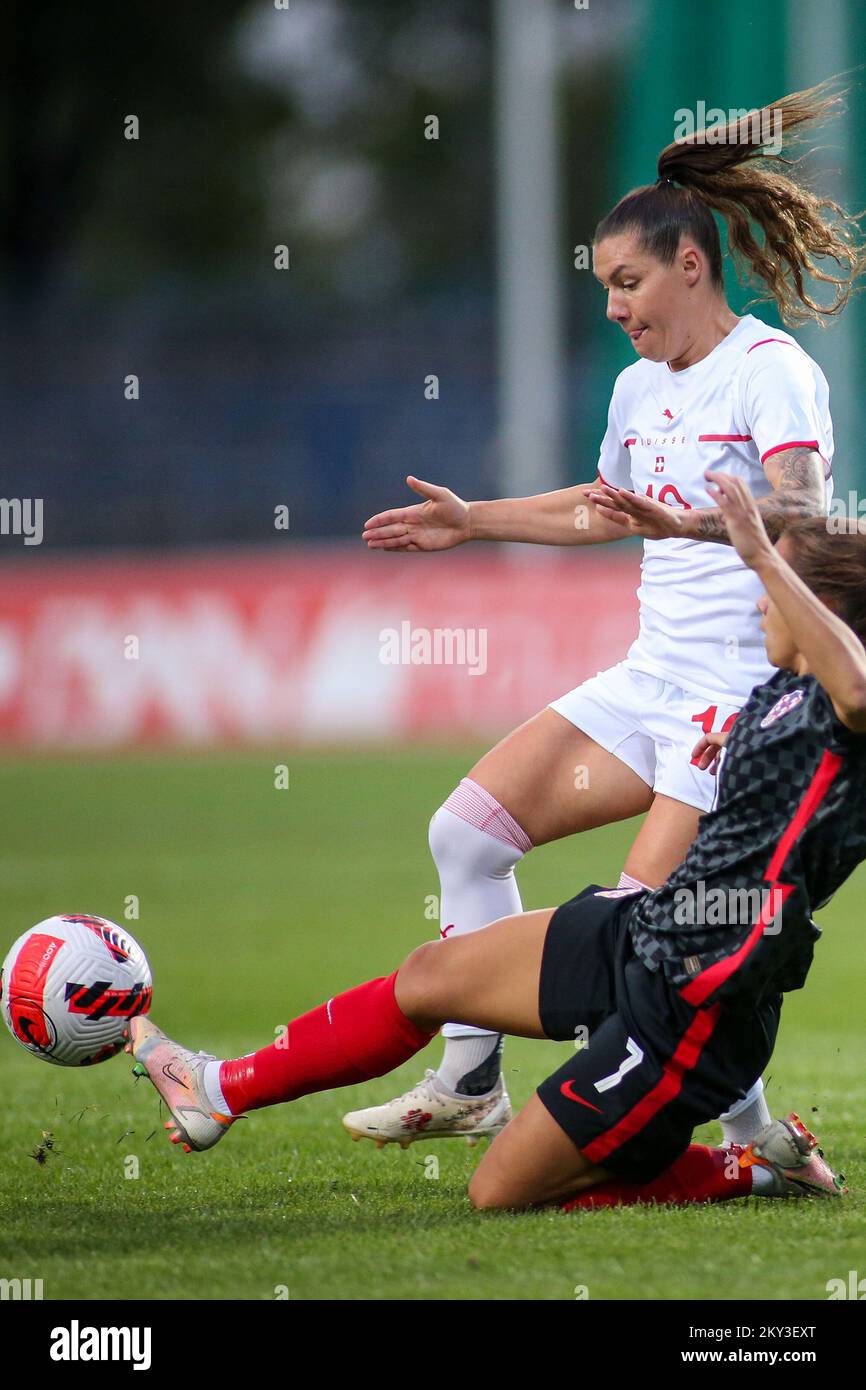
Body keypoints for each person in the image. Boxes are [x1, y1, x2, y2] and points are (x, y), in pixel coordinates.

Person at [348, 79, 864, 1151]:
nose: (613, 307)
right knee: (466, 833)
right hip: (650, 678)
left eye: (626, 282)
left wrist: (677, 523)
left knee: (638, 938)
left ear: (689, 265)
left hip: (737, 694)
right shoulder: (639, 390)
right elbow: (603, 507)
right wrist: (473, 519)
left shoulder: (771, 374)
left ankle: (753, 1135)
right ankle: (469, 1084)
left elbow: (800, 527)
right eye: (601, 289)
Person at [127, 474, 866, 1209]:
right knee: (428, 977)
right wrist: (726, 739)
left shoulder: (850, 704)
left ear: (823, 609)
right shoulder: (782, 686)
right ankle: (219, 1090)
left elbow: (856, 694)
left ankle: (760, 1166)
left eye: (772, 584)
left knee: (500, 1192)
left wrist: (765, 557)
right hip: (649, 931)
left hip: (702, 999)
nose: (758, 598)